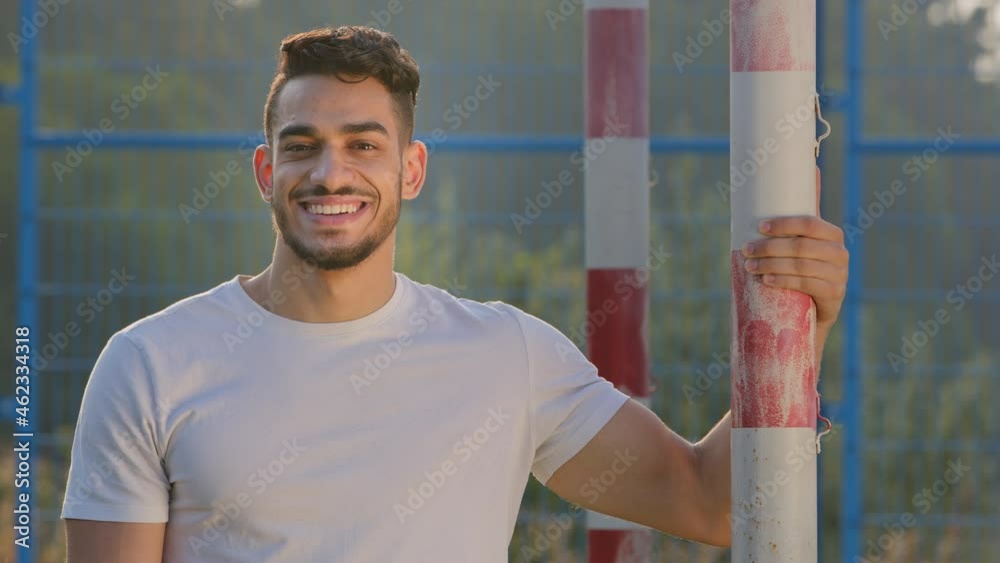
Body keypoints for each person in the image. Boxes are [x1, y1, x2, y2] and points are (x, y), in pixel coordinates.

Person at [62, 25, 849, 562]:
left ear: (411, 170)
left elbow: (711, 504)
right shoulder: (150, 364)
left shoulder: (507, 355)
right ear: (267, 171)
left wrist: (801, 328)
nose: (331, 173)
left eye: (363, 145)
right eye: (302, 147)